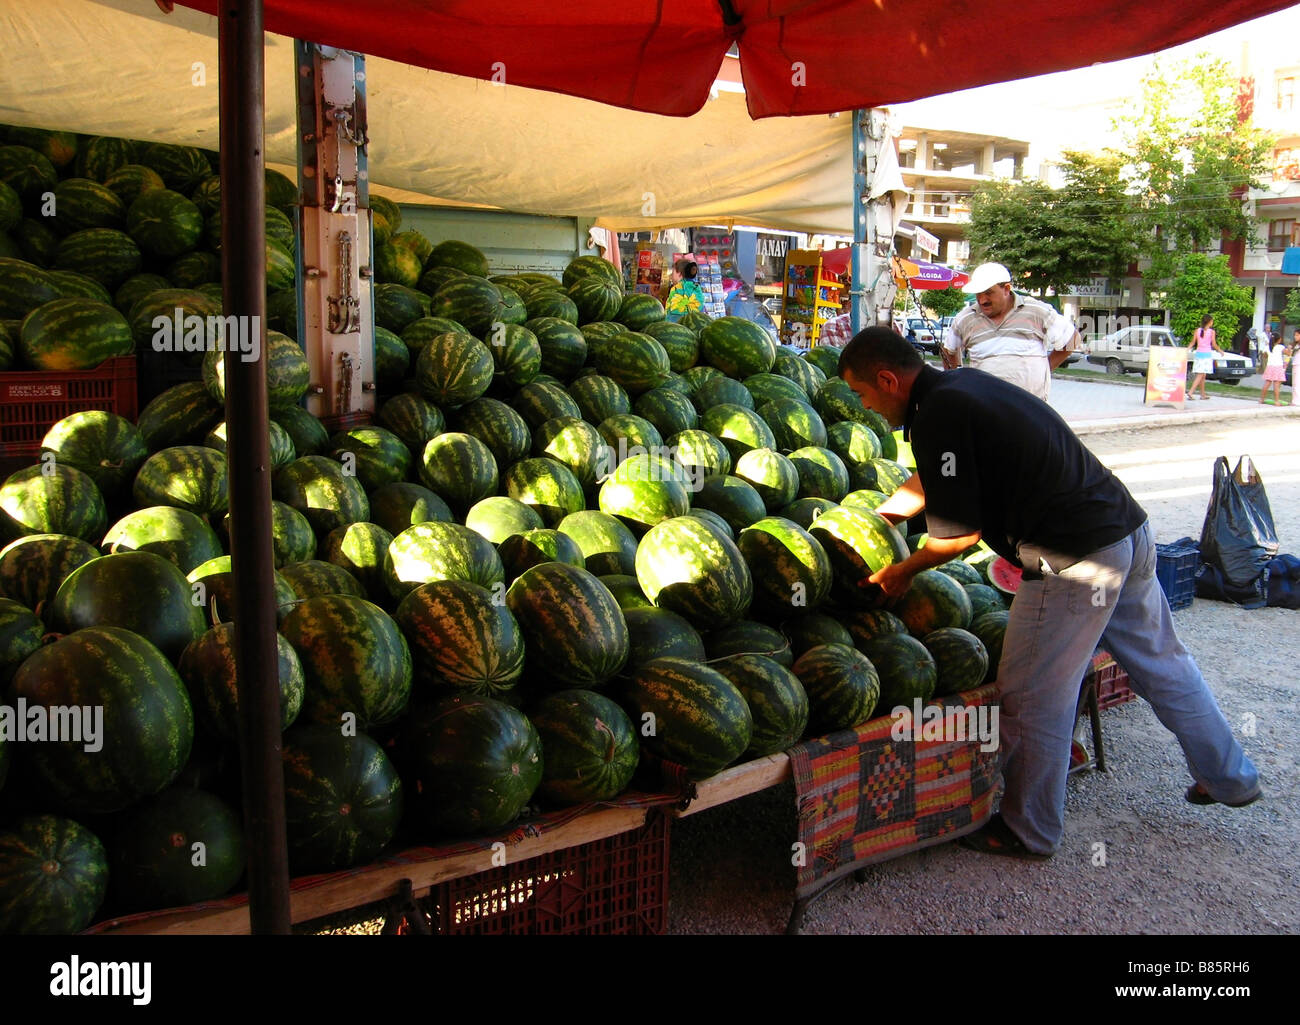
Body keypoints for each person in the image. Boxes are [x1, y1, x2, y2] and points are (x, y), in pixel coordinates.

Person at [837, 326, 1261, 859]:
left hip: (1075, 561)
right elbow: (940, 477)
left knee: (1032, 697)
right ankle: (1230, 779)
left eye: (862, 393)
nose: (865, 406)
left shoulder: (937, 416)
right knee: (1164, 663)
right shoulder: (963, 387)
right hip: (1126, 529)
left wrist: (903, 570)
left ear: (886, 379)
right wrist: (882, 514)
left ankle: (1029, 828)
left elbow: (959, 534)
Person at [942, 262, 1080, 401]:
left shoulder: (1036, 311)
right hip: (984, 409)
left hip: (1030, 408)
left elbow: (1072, 339)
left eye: (989, 293)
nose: (982, 300)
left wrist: (1047, 368)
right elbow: (948, 351)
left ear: (1006, 289)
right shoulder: (965, 318)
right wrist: (956, 382)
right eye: (979, 294)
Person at [1186, 313, 1215, 400]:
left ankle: (1203, 394)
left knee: (1203, 375)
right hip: (1206, 355)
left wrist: (1186, 349)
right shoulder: (1211, 332)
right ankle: (1191, 392)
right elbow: (1214, 344)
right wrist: (1220, 350)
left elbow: (1192, 342)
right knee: (1200, 374)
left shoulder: (1197, 330)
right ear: (1209, 322)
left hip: (1198, 354)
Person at [1260, 332, 1288, 404]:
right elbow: (1288, 353)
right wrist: (1290, 348)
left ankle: (1261, 399)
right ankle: (1276, 401)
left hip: (1270, 366)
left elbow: (1265, 356)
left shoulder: (1267, 347)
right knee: (1276, 384)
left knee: (1267, 383)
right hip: (1277, 367)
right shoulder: (1280, 347)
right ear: (1279, 340)